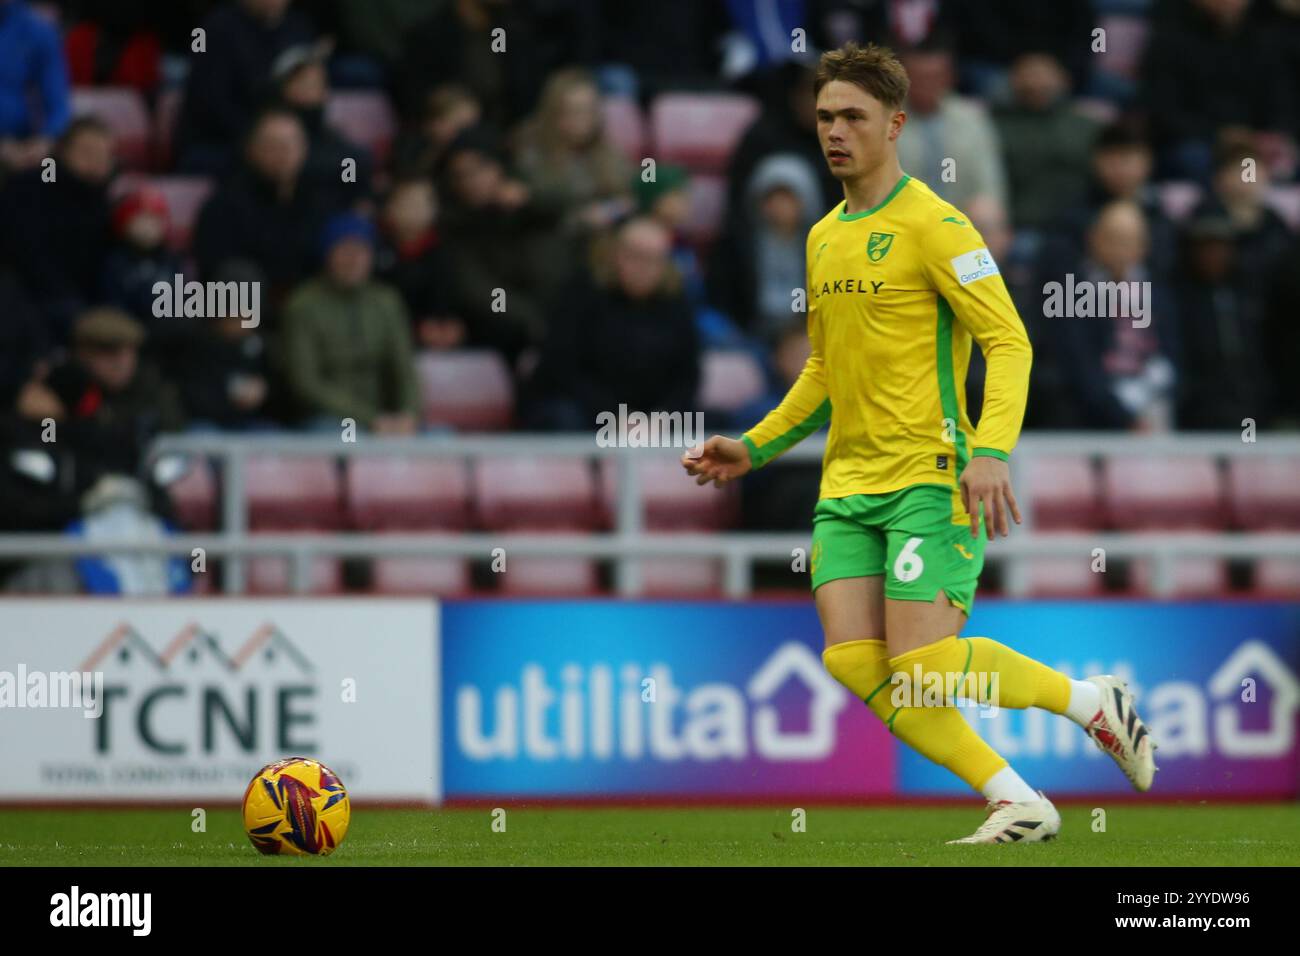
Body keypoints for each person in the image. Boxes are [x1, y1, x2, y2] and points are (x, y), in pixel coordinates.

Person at [682, 42, 1157, 844]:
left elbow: (1009, 344)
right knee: (854, 663)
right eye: (826, 116)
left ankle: (1088, 701)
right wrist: (755, 447)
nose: (835, 132)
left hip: (927, 476)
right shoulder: (824, 235)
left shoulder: (938, 224)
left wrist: (993, 451)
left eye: (854, 117)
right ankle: (1018, 798)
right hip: (847, 486)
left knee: (926, 670)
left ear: (896, 124)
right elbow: (825, 371)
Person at [522, 217, 698, 431]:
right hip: (584, 410)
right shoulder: (581, 292)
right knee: (564, 419)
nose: (645, 267)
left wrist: (661, 417)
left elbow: (687, 377)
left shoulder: (676, 302)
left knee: (718, 430)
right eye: (636, 256)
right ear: (616, 254)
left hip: (651, 418)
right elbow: (561, 368)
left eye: (655, 259)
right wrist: (615, 416)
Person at [280, 213, 420, 434]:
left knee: (442, 440)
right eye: (344, 250)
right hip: (328, 419)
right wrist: (371, 418)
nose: (353, 259)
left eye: (361, 251)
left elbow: (405, 369)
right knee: (339, 438)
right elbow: (305, 383)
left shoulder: (386, 301)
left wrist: (409, 415)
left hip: (385, 420)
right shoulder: (303, 305)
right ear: (327, 255)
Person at [0, 0, 71, 172]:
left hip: (22, 144)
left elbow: (58, 102)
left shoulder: (38, 31)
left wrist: (46, 140)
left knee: (50, 172)